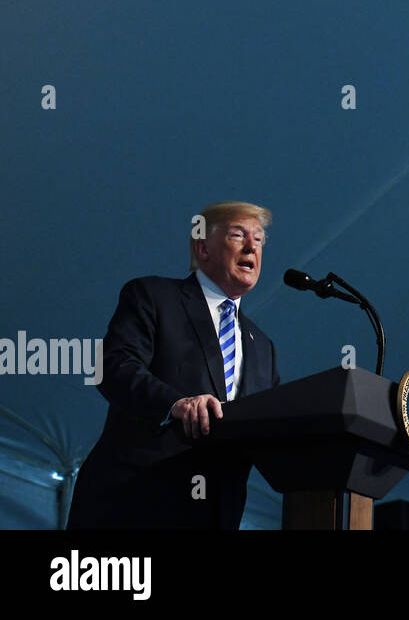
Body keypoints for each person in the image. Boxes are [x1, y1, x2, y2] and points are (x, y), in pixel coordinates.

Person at [67, 201, 280, 529]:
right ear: (203, 248)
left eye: (259, 239)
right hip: (134, 507)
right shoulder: (153, 296)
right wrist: (175, 404)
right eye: (238, 235)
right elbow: (113, 367)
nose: (252, 246)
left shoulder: (263, 347)